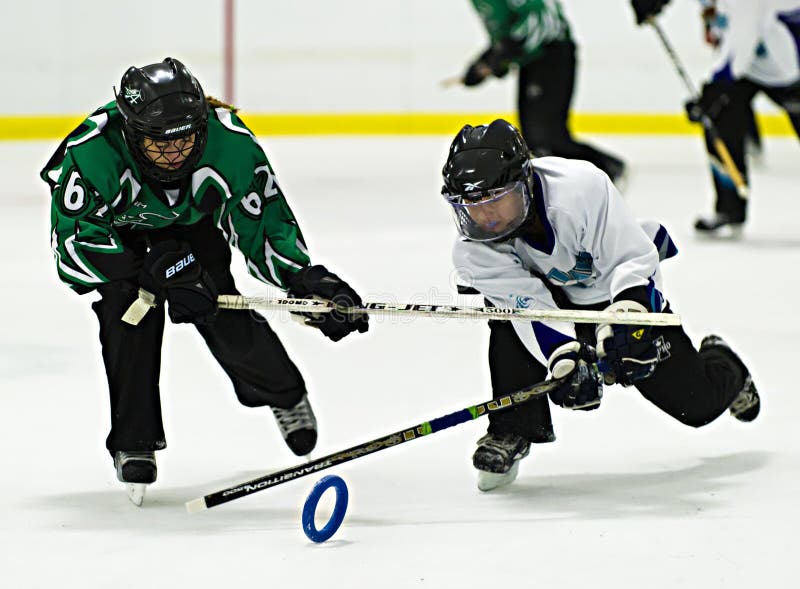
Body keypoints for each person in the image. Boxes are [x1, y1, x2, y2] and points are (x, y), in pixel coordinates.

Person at [40, 57, 369, 503]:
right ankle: (133, 442)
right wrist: (144, 277)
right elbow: (73, 247)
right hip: (121, 240)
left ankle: (283, 392)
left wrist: (305, 280)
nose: (175, 153)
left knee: (218, 305)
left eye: (185, 140)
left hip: (192, 227)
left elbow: (264, 226)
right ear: (132, 131)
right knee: (127, 316)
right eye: (159, 144)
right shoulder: (93, 150)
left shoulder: (230, 143)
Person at [440, 119, 760, 491]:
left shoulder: (580, 189)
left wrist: (627, 323)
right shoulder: (472, 249)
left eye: (495, 200)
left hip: (616, 290)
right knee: (504, 319)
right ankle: (511, 428)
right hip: (555, 301)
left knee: (697, 407)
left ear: (525, 180)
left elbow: (633, 260)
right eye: (472, 205)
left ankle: (725, 364)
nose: (485, 217)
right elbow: (525, 307)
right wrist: (565, 359)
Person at [631, 0, 800, 236]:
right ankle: (729, 208)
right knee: (720, 117)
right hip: (750, 64)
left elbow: (743, 33)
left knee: (719, 102)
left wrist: (717, 86)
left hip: (789, 62)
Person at [460, 0, 627, 186]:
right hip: (532, 60)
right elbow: (506, 34)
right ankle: (595, 174)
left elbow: (540, 17)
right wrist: (489, 62)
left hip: (551, 53)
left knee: (546, 136)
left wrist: (497, 56)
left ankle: (605, 169)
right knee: (534, 140)